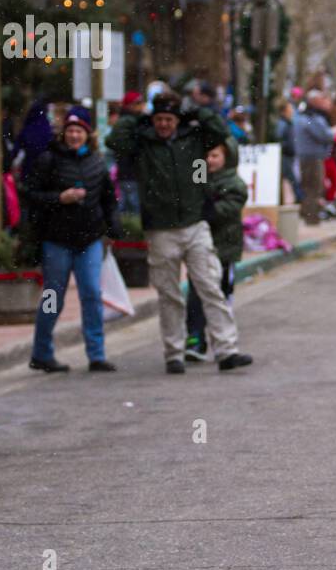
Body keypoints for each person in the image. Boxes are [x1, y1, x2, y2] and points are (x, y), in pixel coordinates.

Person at [105, 92, 252, 374]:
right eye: (159, 119)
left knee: (210, 285)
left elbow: (222, 132)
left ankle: (227, 349)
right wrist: (135, 117)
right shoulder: (143, 142)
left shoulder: (194, 139)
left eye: (169, 119)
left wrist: (197, 111)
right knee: (168, 293)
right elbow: (114, 142)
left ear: (177, 119)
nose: (163, 124)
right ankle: (174, 352)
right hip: (160, 229)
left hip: (195, 224)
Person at [23, 109, 122, 373]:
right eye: (70, 130)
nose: (74, 135)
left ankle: (97, 354)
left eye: (79, 130)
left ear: (88, 134)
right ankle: (42, 352)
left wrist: (113, 229)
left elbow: (109, 201)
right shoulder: (48, 160)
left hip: (89, 239)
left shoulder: (97, 163)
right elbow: (31, 194)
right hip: (56, 239)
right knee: (53, 296)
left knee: (91, 293)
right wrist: (59, 198)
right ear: (63, 132)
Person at [185, 141, 247, 361]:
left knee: (220, 294)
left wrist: (207, 209)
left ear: (226, 158)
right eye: (207, 156)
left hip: (224, 248)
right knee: (196, 294)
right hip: (198, 247)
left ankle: (223, 341)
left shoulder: (233, 182)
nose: (210, 160)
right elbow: (191, 197)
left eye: (215, 155)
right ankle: (195, 337)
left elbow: (225, 210)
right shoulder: (199, 175)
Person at [294, 91, 335, 225]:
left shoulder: (303, 116)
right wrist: (333, 132)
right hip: (312, 157)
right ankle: (311, 218)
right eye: (320, 100)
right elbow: (324, 135)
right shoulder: (311, 117)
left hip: (306, 156)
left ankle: (308, 214)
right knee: (314, 188)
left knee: (309, 187)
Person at [14, 99, 54, 178]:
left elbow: (17, 148)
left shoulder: (28, 128)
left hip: (29, 166)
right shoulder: (47, 128)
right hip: (47, 168)